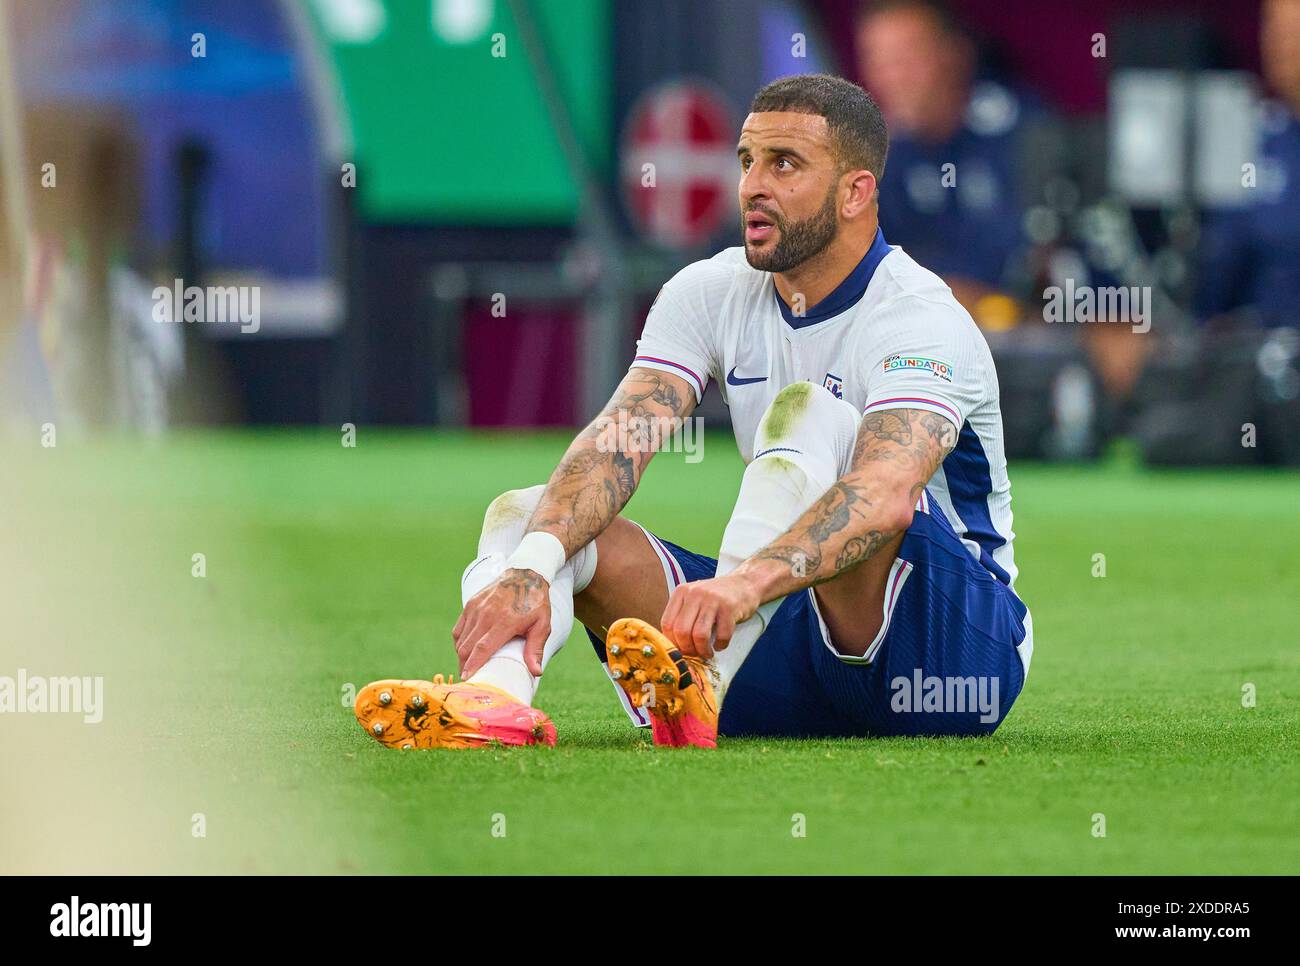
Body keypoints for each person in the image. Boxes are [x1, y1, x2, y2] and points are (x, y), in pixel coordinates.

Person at [355, 73, 1033, 750]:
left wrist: (740, 586)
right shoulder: (709, 290)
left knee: (811, 413)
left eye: (784, 164)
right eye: (746, 161)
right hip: (793, 632)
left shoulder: (917, 315)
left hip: (949, 659)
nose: (752, 186)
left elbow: (886, 497)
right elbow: (618, 441)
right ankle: (495, 700)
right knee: (527, 516)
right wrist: (532, 566)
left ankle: (707, 673)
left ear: (857, 192)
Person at [854, 0, 1041, 323]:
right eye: (878, 61)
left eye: (907, 57)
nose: (893, 77)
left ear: (955, 54)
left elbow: (1040, 254)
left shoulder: (1021, 130)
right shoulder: (873, 153)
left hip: (1027, 339)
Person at [1196, 0, 1300, 330]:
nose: (1282, 43)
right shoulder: (1249, 139)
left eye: (1296, 28)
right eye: (1274, 27)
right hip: (1261, 359)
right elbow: (1215, 277)